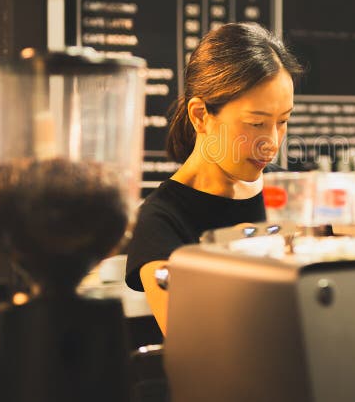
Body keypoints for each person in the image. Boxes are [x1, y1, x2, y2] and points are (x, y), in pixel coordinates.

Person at [124, 22, 302, 334]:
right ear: (200, 115)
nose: (272, 141)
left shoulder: (287, 195)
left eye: (283, 121)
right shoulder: (160, 222)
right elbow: (196, 344)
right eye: (256, 123)